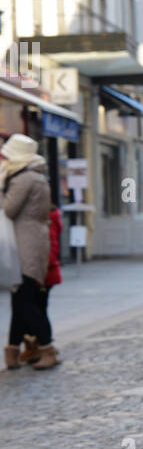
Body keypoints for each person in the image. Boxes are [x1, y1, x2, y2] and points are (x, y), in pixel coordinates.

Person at [1, 134, 59, 370]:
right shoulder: (35, 176)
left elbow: (9, 209)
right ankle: (12, 352)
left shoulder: (24, 179)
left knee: (25, 302)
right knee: (20, 300)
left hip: (25, 244)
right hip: (29, 242)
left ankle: (47, 349)